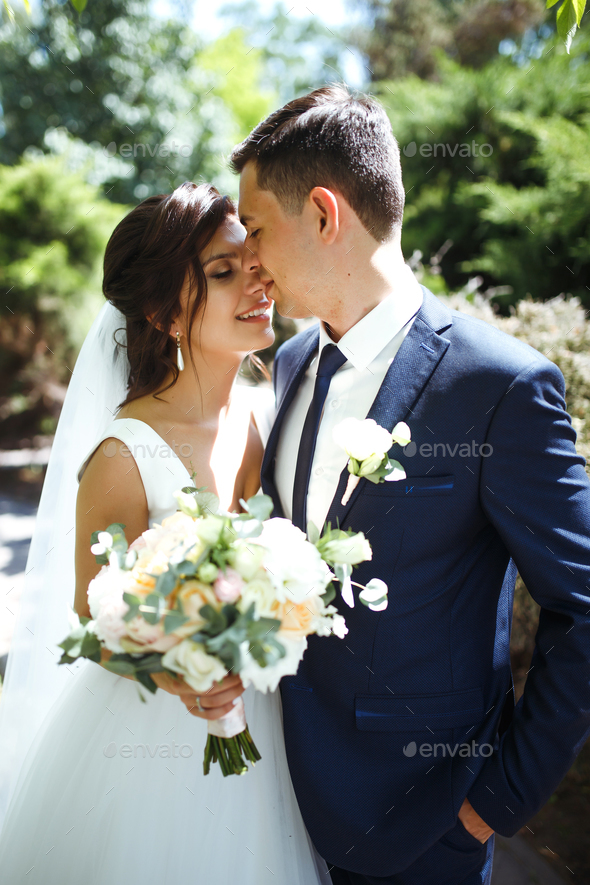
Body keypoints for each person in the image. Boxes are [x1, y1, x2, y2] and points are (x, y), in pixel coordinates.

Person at [231, 84, 590, 885]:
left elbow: (584, 606)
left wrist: (491, 807)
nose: (247, 257)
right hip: (270, 807)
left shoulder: (499, 385)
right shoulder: (288, 365)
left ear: (325, 214)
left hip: (422, 827)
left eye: (255, 229)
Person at [0, 182, 327, 884]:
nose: (257, 282)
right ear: (162, 315)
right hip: (152, 738)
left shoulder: (270, 418)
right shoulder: (125, 453)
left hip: (269, 727)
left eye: (252, 260)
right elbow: (92, 616)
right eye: (221, 272)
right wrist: (179, 674)